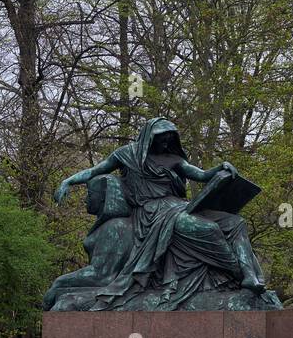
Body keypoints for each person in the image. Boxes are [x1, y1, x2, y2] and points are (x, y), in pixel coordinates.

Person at [52, 118, 277, 311]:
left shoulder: (174, 159)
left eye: (169, 137)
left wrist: (221, 169)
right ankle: (234, 273)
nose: (166, 141)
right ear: (149, 136)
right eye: (161, 137)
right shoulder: (126, 155)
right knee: (207, 229)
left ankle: (250, 277)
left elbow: (201, 175)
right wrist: (68, 181)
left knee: (235, 222)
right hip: (153, 213)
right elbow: (96, 170)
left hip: (180, 205)